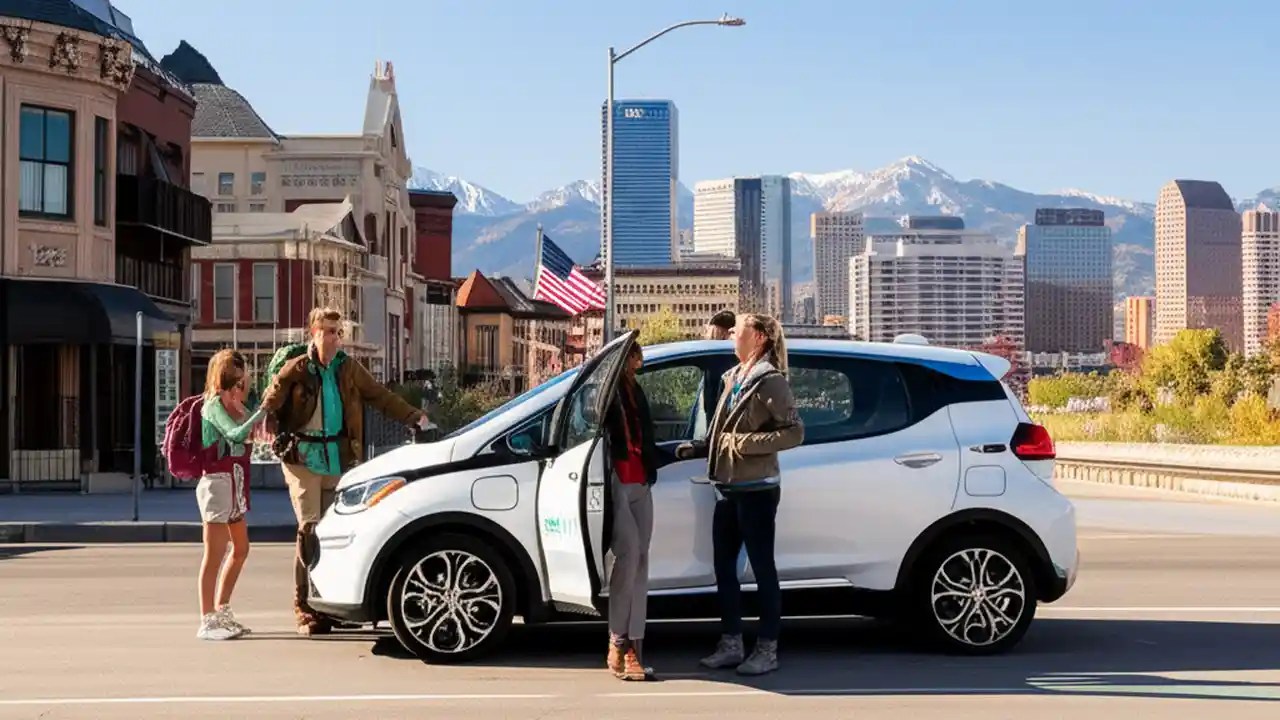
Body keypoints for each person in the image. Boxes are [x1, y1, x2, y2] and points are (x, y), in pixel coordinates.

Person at [259, 307, 431, 636]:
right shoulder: (298, 367)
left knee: (332, 532)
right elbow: (273, 397)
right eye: (327, 331)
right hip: (302, 457)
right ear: (313, 333)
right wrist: (265, 416)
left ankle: (327, 603)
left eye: (338, 332)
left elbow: (379, 396)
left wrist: (413, 416)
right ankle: (304, 606)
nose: (334, 338)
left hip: (337, 457)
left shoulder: (348, 368)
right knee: (309, 529)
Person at [677, 313, 803, 675]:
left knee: (763, 569)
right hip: (727, 488)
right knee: (723, 569)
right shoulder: (732, 377)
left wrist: (746, 444)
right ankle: (731, 643)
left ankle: (767, 649)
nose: (732, 334)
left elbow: (795, 432)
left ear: (760, 337)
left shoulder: (771, 381)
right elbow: (722, 429)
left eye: (739, 329)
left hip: (758, 490)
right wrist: (701, 447)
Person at [195, 349, 265, 641]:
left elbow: (251, 434)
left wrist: (250, 413)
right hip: (217, 482)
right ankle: (207, 618)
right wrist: (260, 413)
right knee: (214, 554)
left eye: (243, 376)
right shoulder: (212, 406)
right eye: (238, 376)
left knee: (241, 548)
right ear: (225, 375)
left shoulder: (234, 405)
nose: (243, 381)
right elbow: (236, 435)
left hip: (234, 482)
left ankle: (222, 609)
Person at [603, 343, 659, 681]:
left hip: (641, 480)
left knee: (641, 562)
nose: (640, 361)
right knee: (628, 557)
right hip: (617, 482)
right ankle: (617, 641)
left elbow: (648, 432)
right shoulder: (608, 392)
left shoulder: (636, 390)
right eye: (636, 355)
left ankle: (635, 647)